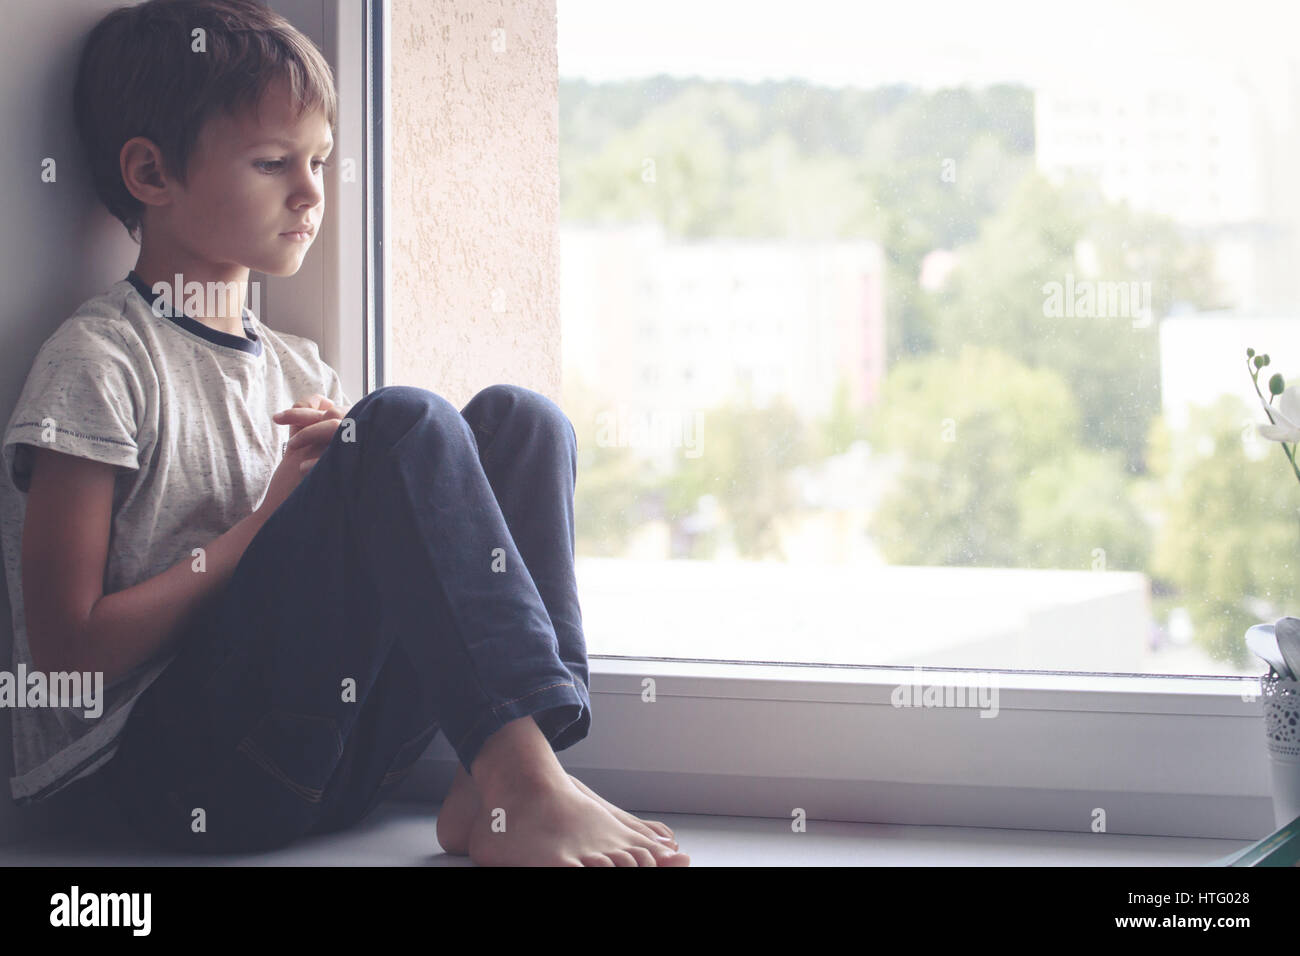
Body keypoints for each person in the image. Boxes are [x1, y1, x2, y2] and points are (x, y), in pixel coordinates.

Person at [1, 0, 687, 867]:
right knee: (401, 422)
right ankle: (524, 783)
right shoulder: (99, 361)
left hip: (327, 762)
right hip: (178, 783)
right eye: (272, 162)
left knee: (523, 421)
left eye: (320, 160)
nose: (312, 192)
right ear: (151, 173)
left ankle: (510, 777)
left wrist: (343, 495)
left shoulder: (301, 371)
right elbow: (69, 655)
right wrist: (270, 523)